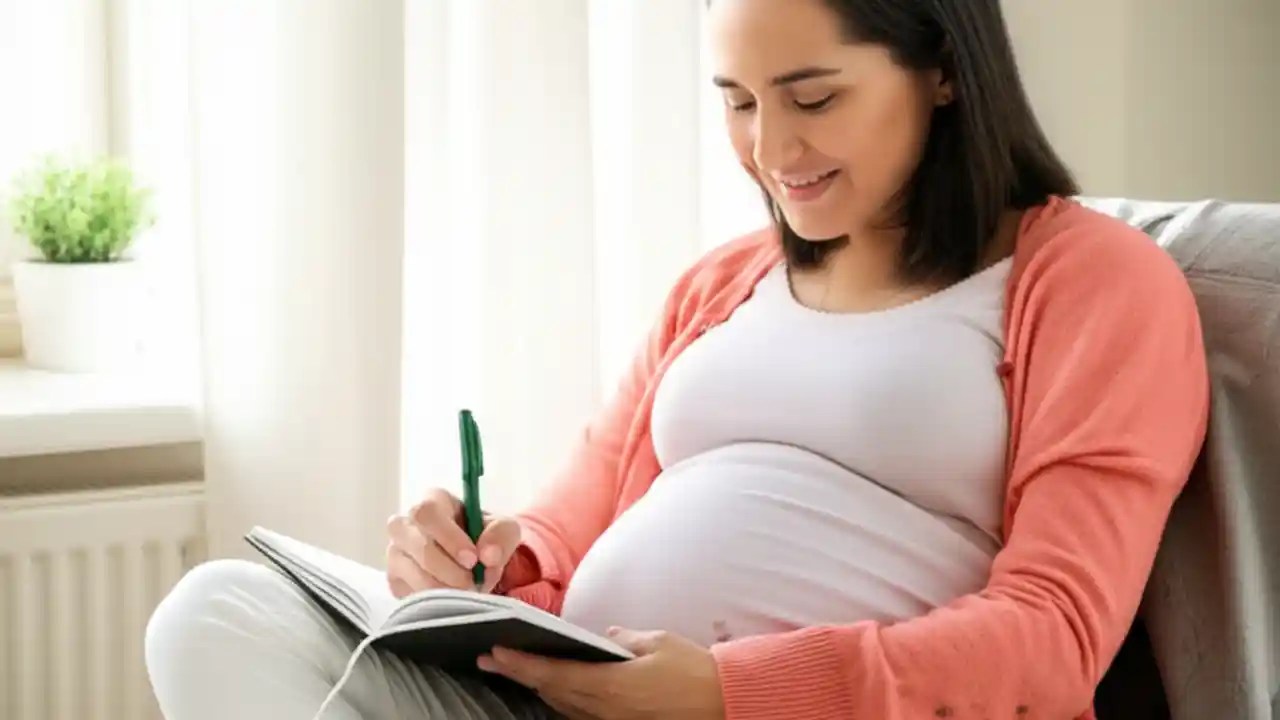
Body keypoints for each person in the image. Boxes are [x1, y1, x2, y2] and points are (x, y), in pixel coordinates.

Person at [145, 0, 1210, 718]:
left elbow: (1053, 635)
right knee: (212, 611)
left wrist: (725, 690)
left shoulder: (1089, 283)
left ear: (939, 71)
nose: (770, 152)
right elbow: (567, 526)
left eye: (812, 96)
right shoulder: (722, 283)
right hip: (568, 696)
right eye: (737, 103)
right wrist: (483, 569)